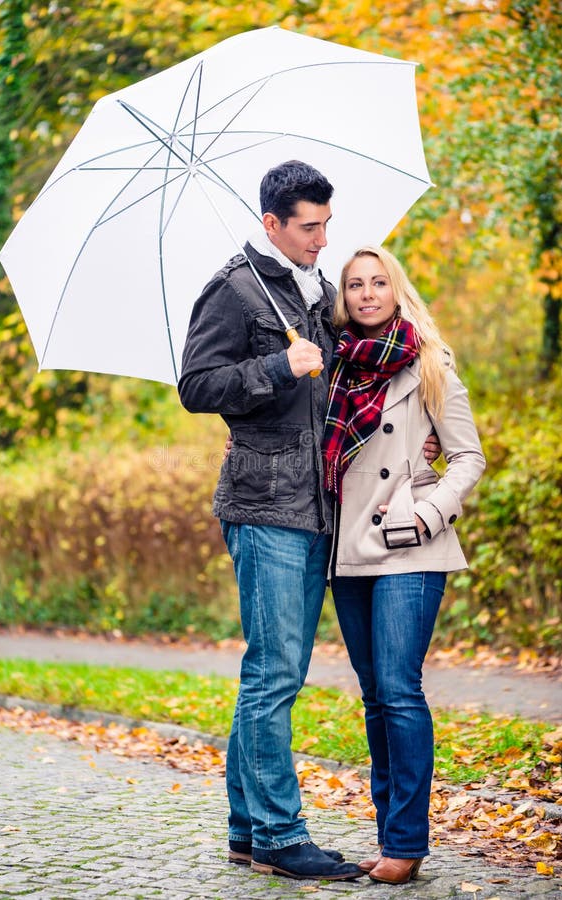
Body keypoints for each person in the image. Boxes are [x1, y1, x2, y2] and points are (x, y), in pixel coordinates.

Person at [178, 161, 439, 881]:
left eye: (327, 223)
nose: (324, 239)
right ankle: (278, 836)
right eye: (309, 226)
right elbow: (195, 386)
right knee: (275, 673)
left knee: (269, 673)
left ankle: (244, 828)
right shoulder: (232, 289)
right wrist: (273, 368)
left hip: (321, 506)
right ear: (272, 223)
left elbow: (351, 388)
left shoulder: (318, 290)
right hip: (265, 505)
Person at [322, 245, 486, 885]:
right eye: (355, 284)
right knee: (374, 697)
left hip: (408, 545)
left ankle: (407, 843)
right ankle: (391, 833)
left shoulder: (429, 362)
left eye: (378, 282)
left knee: (398, 687)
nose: (366, 293)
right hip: (346, 548)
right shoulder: (331, 368)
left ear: (397, 289)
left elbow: (468, 457)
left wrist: (426, 511)